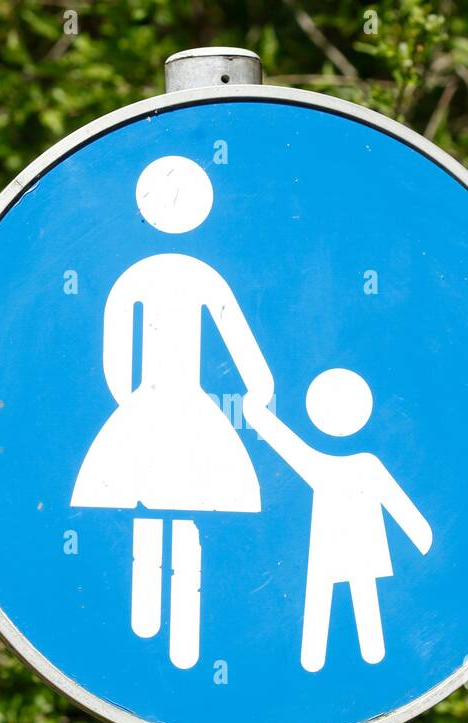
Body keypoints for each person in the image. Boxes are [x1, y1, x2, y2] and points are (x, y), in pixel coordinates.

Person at [71, 155, 273, 670]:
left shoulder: (137, 276)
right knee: (190, 511)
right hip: (182, 405)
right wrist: (257, 390)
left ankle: (157, 629)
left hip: (151, 404)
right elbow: (242, 345)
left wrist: (134, 408)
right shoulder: (198, 275)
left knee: (155, 511)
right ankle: (172, 637)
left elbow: (115, 362)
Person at [243, 369, 432, 672]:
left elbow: (395, 500)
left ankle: (335, 662)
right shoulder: (352, 465)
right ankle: (326, 662)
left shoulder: (339, 466)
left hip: (346, 547)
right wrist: (422, 536)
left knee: (347, 597)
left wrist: (257, 414)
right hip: (337, 546)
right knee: (339, 596)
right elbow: (287, 445)